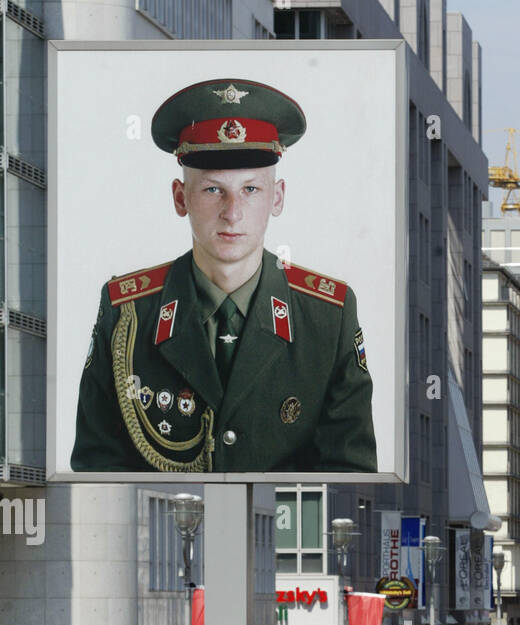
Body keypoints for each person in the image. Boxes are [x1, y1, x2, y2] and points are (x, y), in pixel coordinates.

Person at [71, 78, 375, 476]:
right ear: (181, 198)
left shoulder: (327, 315)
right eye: (213, 190)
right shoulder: (128, 310)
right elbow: (97, 469)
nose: (233, 212)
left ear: (277, 197)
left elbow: (351, 478)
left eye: (250, 189)